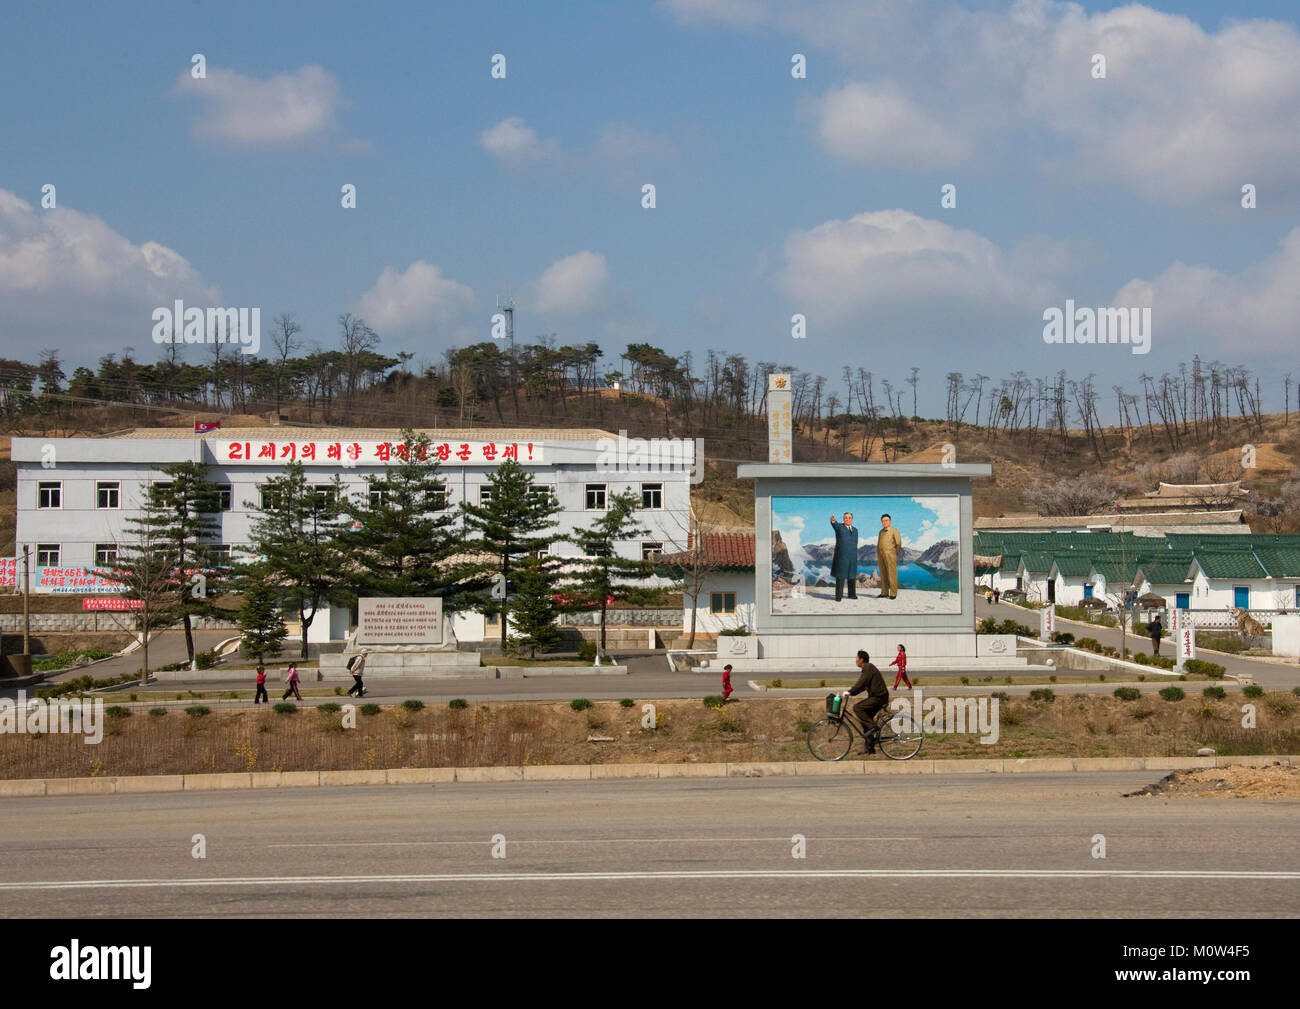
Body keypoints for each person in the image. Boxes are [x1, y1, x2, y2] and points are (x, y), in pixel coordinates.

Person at [848, 650, 889, 754]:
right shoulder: (866, 669)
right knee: (865, 721)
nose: (856, 660)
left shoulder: (868, 668)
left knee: (857, 708)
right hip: (877, 697)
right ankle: (869, 748)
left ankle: (874, 728)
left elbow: (861, 682)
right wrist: (851, 693)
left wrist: (849, 691)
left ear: (862, 660)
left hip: (879, 697)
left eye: (857, 658)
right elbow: (862, 687)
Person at [829, 512, 859, 601]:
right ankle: (838, 596)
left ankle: (852, 594)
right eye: (846, 518)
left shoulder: (855, 530)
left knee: (852, 576)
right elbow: (835, 525)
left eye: (849, 518)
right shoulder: (839, 527)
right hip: (842, 556)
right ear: (843, 519)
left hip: (853, 556)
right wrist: (833, 521)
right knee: (840, 576)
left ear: (852, 519)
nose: (847, 519)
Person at [876, 514, 902, 600]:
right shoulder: (881, 532)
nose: (884, 522)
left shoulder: (895, 531)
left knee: (892, 574)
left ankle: (893, 593)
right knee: (883, 574)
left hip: (890, 555)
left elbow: (898, 543)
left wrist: (894, 553)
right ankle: (884, 592)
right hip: (881, 555)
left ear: (890, 521)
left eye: (886, 520)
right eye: (883, 521)